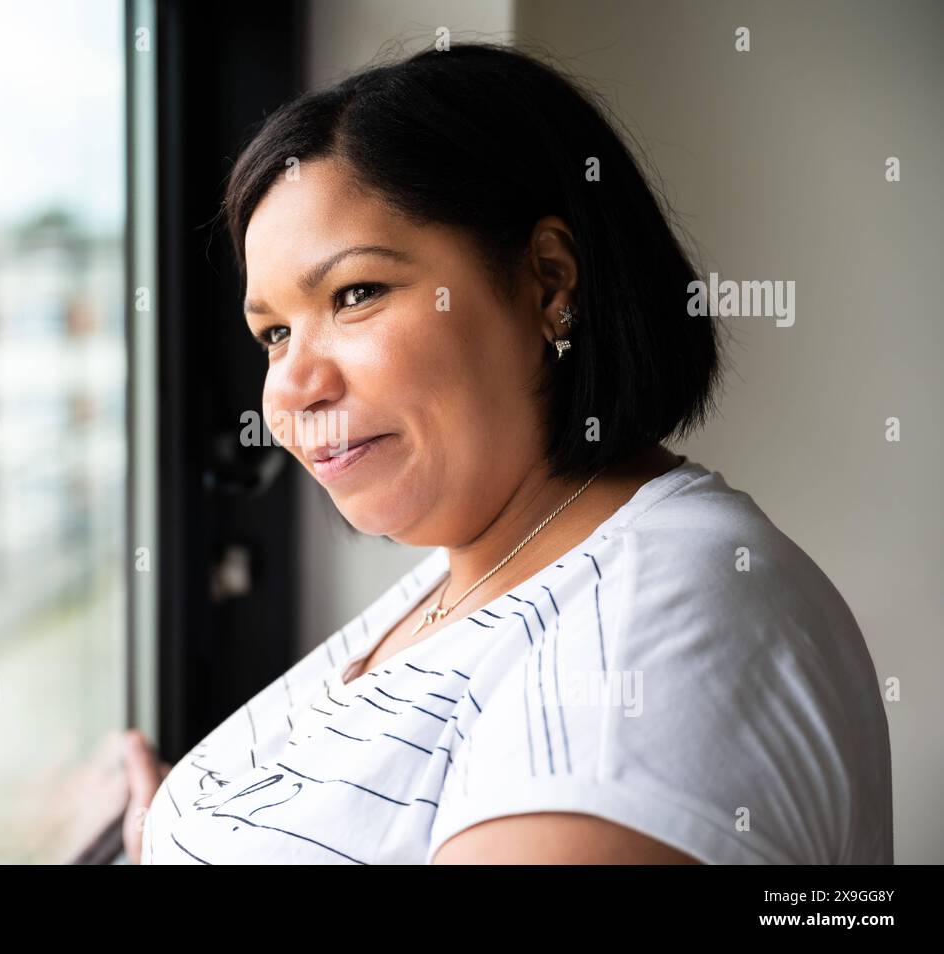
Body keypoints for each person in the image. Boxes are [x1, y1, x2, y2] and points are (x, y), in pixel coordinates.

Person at [122, 42, 892, 865]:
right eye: (273, 333)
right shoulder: (478, 571)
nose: (292, 388)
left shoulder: (641, 648)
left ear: (551, 282)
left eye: (355, 294)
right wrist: (173, 822)